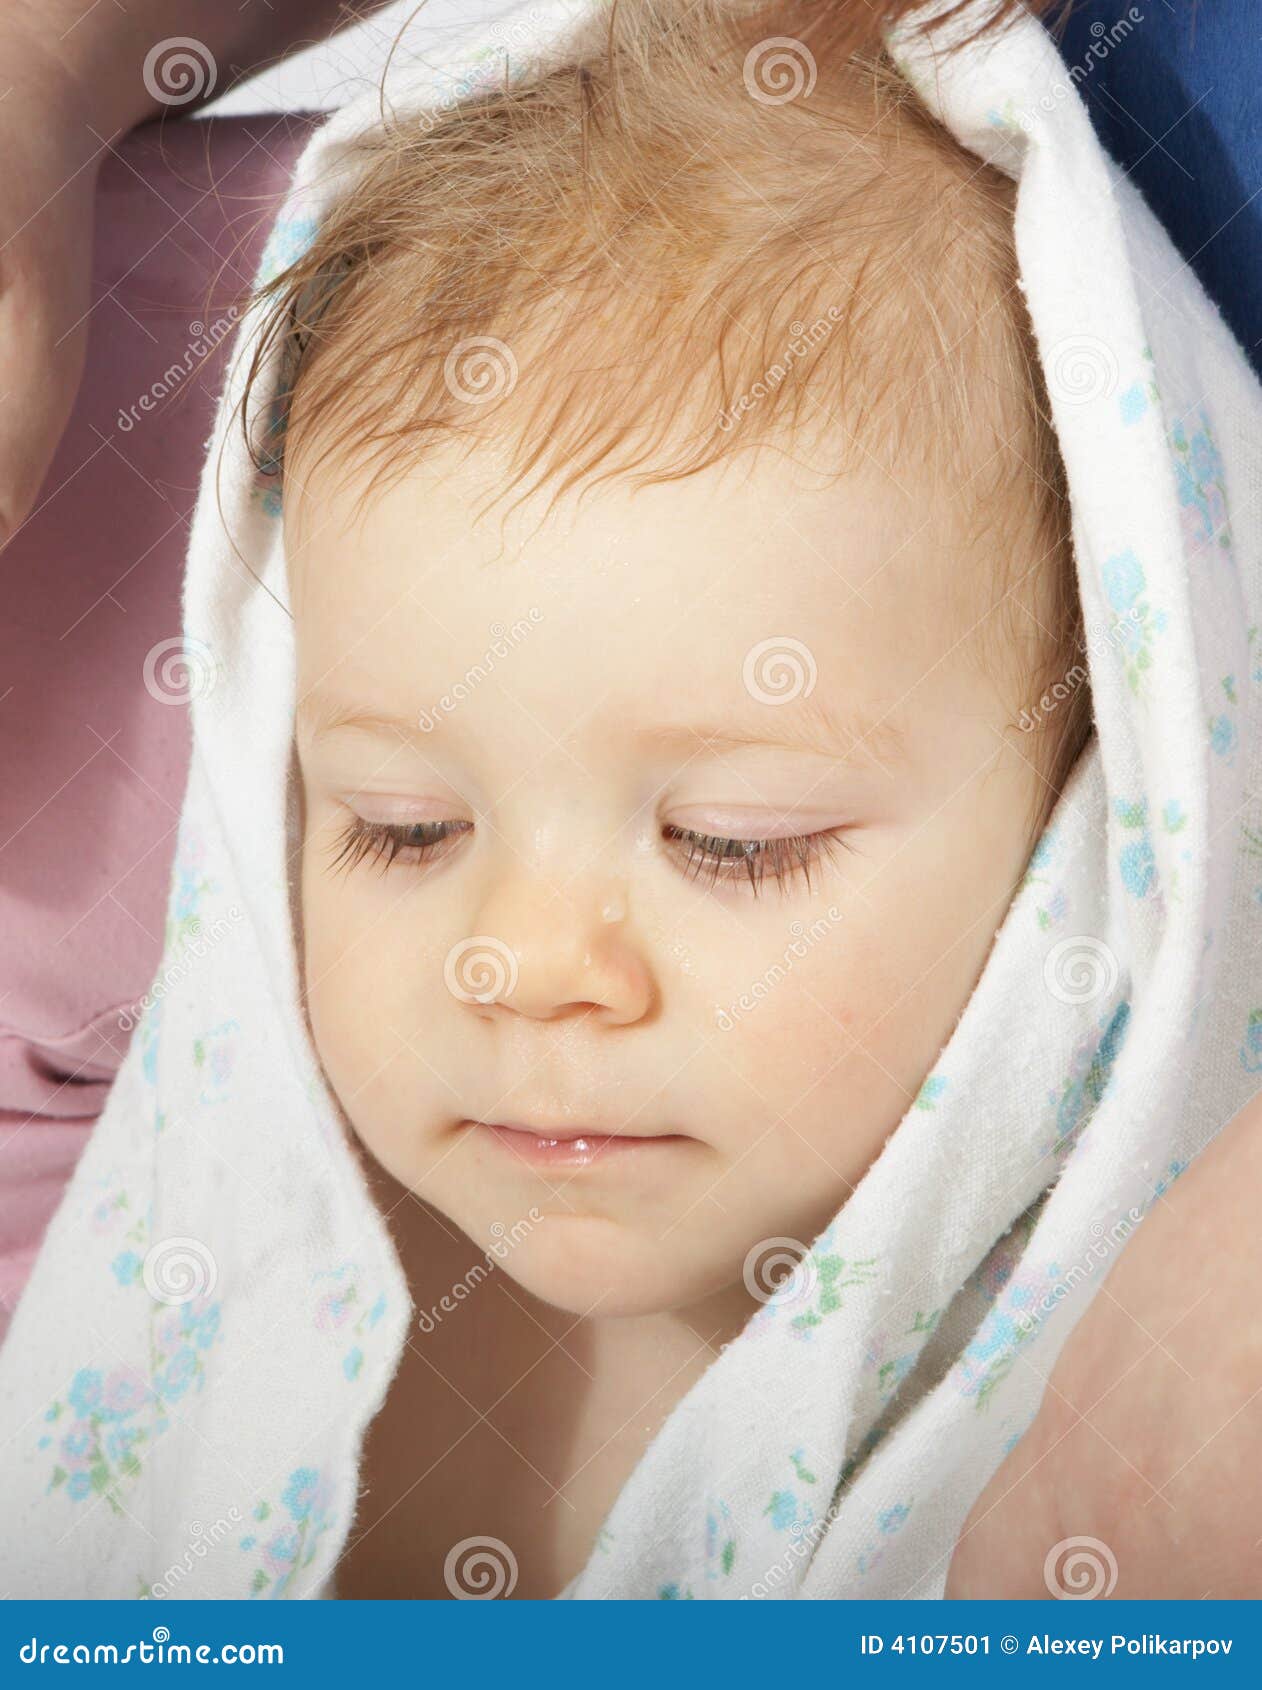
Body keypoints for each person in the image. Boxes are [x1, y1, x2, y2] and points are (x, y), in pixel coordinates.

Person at [1, 0, 1259, 1600]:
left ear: (1099, 791)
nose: (523, 963)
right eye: (402, 824)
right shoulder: (191, 1288)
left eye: (729, 844)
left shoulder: (1132, 1442)